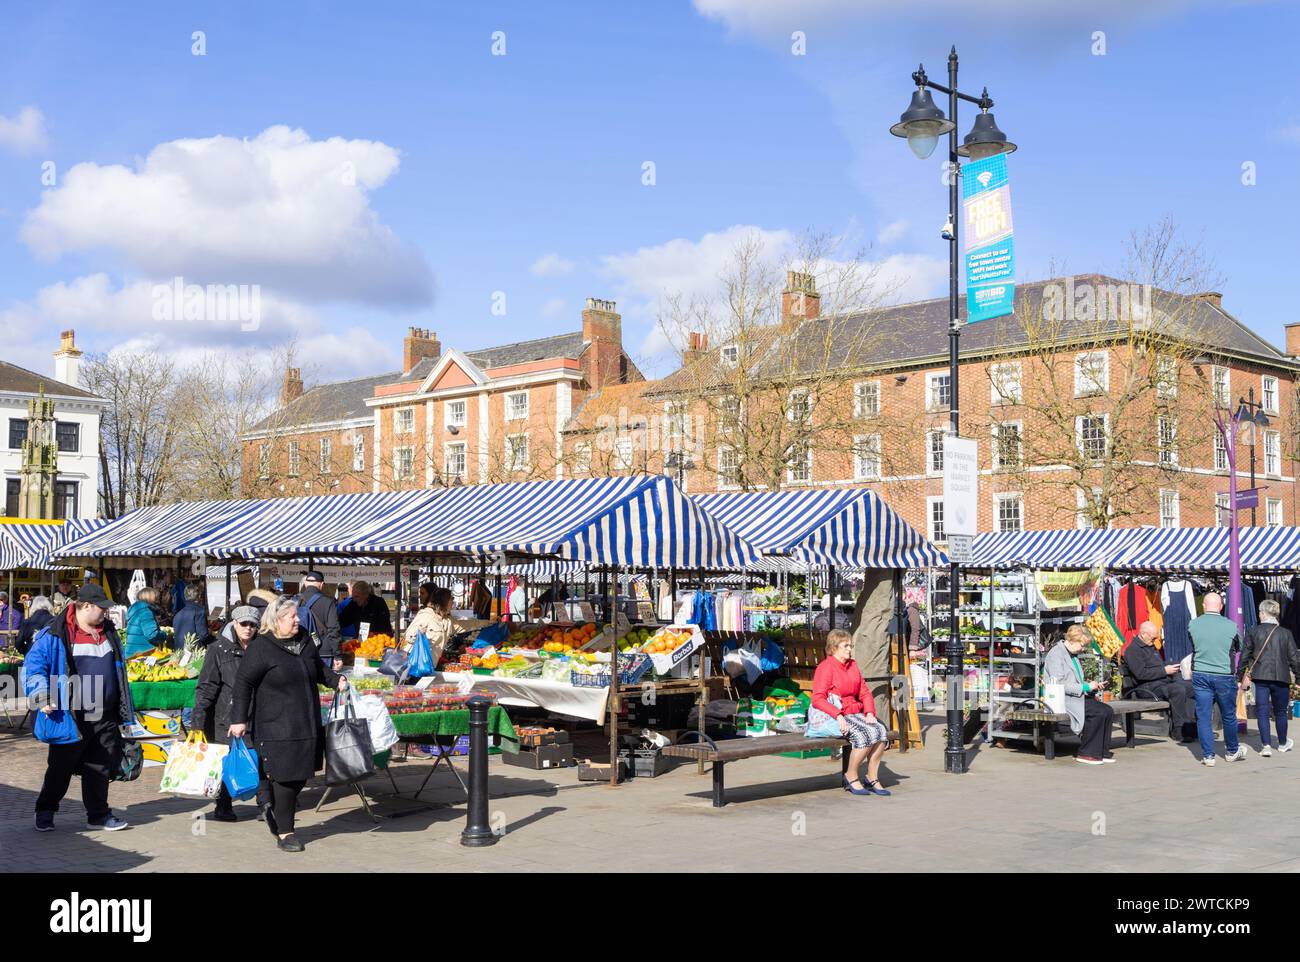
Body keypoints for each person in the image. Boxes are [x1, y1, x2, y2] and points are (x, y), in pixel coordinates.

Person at [229, 594, 348, 853]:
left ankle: (270, 804)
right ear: (276, 621)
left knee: (300, 776)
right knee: (285, 778)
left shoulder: (304, 639)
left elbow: (318, 669)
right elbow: (243, 684)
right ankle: (286, 832)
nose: (297, 620)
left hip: (306, 721)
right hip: (275, 725)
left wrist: (335, 680)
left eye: (296, 616)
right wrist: (238, 719)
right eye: (292, 617)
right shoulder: (261, 647)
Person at [24, 584, 130, 832]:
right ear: (86, 606)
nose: (105, 612)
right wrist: (41, 695)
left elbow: (118, 670)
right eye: (102, 608)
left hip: (104, 713)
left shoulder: (108, 631)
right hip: (70, 715)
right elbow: (34, 666)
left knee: (100, 766)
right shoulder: (55, 633)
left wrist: (122, 707)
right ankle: (45, 810)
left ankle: (98, 815)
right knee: (60, 768)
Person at [191, 604, 261, 822]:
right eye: (244, 624)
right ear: (234, 624)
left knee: (259, 757)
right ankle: (223, 806)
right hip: (226, 714)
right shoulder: (219, 649)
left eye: (253, 625)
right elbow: (207, 686)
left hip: (257, 713)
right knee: (226, 760)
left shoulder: (261, 648)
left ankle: (265, 804)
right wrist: (198, 720)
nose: (248, 628)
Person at [806, 628, 891, 796]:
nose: (849, 649)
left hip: (855, 711)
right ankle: (851, 775)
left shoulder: (852, 665)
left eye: (850, 645)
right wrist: (837, 715)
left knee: (881, 731)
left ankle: (872, 776)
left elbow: (864, 692)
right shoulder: (825, 667)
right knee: (864, 735)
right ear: (834, 647)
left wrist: (869, 712)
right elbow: (817, 699)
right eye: (845, 646)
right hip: (836, 714)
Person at [1043, 624, 1115, 765]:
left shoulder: (1073, 655)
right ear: (1071, 640)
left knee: (1107, 710)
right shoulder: (1056, 654)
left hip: (1075, 696)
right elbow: (1059, 684)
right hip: (1062, 699)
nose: (1082, 649)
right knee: (1098, 712)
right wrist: (1086, 686)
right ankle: (1086, 753)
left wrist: (1091, 686)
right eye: (1082, 645)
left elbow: (1075, 681)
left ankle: (1101, 752)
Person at [1189, 592, 1245, 766]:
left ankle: (1208, 756)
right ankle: (1232, 751)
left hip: (1200, 673)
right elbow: (1239, 647)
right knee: (1228, 715)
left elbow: (1193, 644)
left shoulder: (1193, 624)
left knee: (1204, 716)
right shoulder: (1231, 626)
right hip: (1224, 675)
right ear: (1221, 607)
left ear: (1203, 606)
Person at [1238, 599, 1300, 757]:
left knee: (1262, 711)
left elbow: (1245, 655)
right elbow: (1294, 658)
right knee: (1281, 711)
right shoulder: (1286, 633)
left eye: (1260, 612)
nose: (1259, 614)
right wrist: (1298, 678)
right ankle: (1282, 743)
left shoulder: (1253, 631)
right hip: (1281, 677)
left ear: (1264, 613)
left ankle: (1265, 746)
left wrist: (1240, 676)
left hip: (1260, 677)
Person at [1121, 620, 1196, 742]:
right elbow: (1140, 674)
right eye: (1153, 638)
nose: (1155, 640)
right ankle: (1178, 730)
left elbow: (1158, 666)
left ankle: (1191, 726)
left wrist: (1171, 667)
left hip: (1161, 682)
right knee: (1177, 690)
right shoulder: (1132, 650)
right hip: (1145, 687)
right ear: (1143, 634)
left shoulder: (1150, 645)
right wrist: (1164, 671)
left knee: (1192, 687)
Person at [403, 586, 466, 663]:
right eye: (451, 599)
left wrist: (481, 623)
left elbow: (464, 625)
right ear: (444, 601)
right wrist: (418, 634)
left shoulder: (446, 620)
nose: (453, 602)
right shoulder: (426, 615)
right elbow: (408, 637)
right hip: (415, 663)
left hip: (428, 664)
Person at [296, 571, 342, 668]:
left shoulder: (294, 600)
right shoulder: (328, 602)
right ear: (321, 584)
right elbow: (334, 629)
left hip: (299, 650)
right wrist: (338, 655)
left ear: (305, 583)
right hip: (323, 652)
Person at [124, 587, 167, 656]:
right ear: (151, 597)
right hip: (143, 653)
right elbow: (152, 635)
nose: (156, 600)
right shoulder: (145, 612)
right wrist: (164, 635)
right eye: (155, 597)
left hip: (132, 652)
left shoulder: (136, 610)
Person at [172, 582, 213, 649]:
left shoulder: (177, 615)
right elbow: (203, 636)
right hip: (194, 651)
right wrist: (209, 632)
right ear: (198, 596)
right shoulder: (199, 612)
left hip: (179, 651)